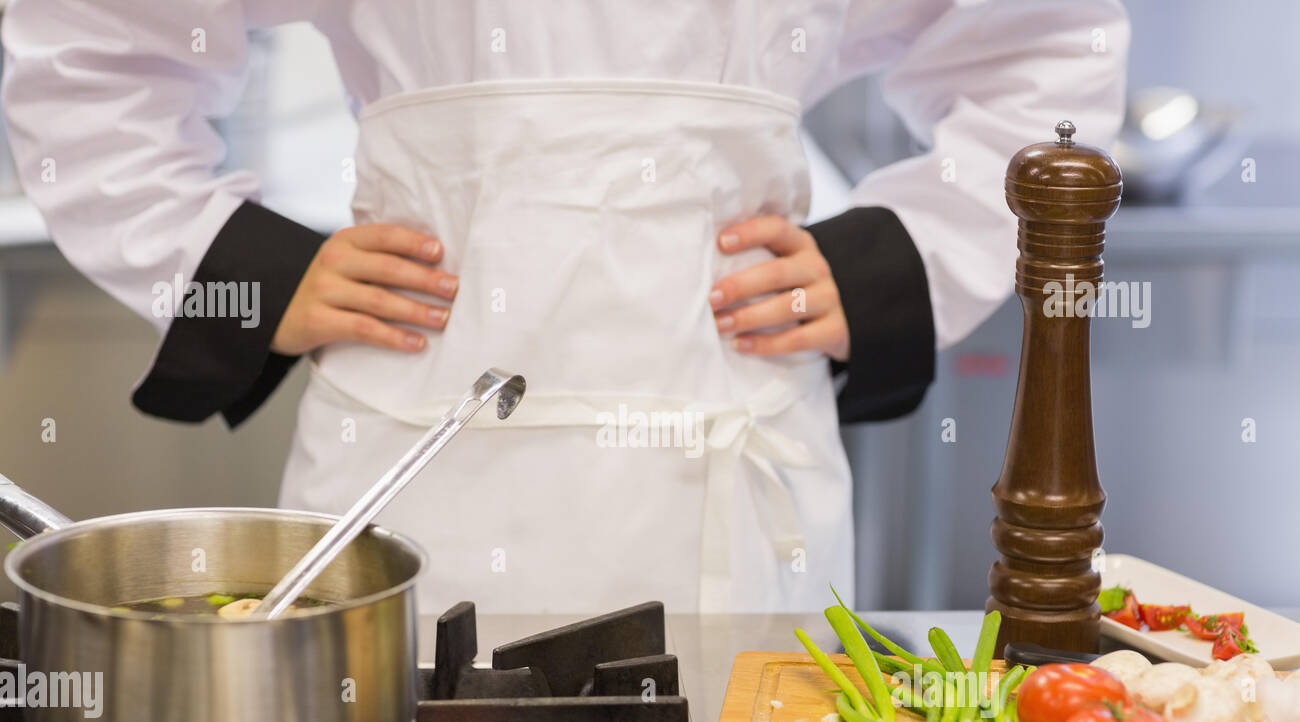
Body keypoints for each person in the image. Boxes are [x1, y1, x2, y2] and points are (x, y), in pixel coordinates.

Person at [1, 1, 1127, 614]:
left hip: (726, 449)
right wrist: (236, 263)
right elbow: (91, 44)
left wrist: (901, 257)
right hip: (415, 455)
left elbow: (1043, 44)